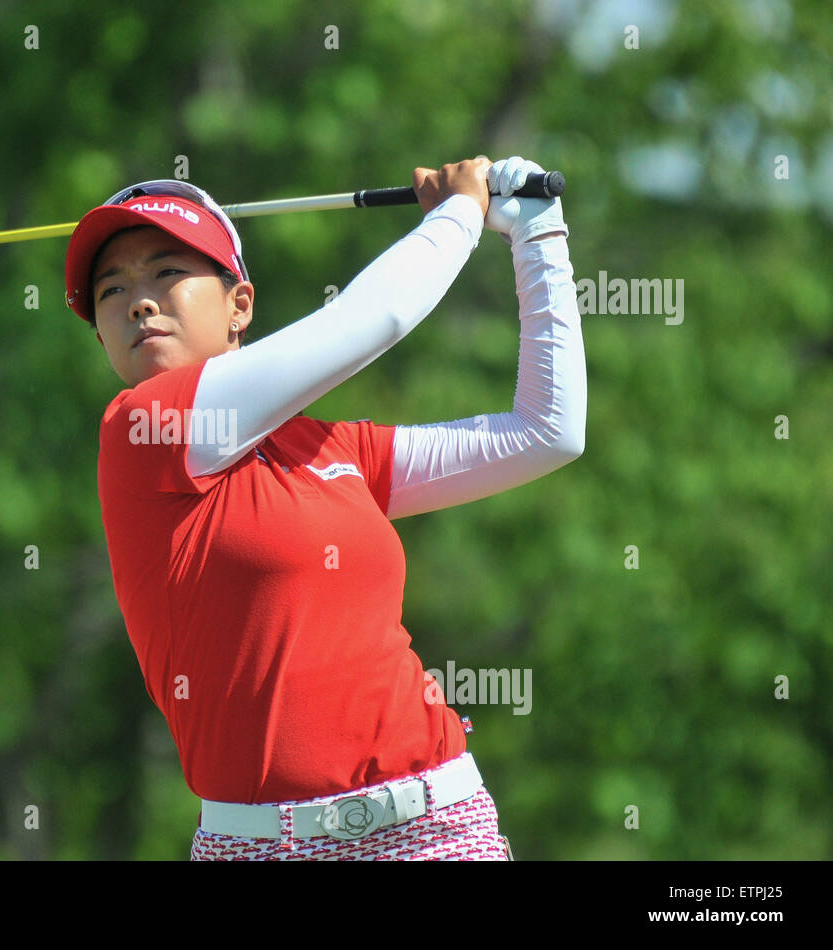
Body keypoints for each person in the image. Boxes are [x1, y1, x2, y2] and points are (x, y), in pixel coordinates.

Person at [63, 156, 585, 860]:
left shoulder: (329, 452)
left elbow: (546, 432)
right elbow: (375, 318)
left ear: (238, 305)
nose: (139, 301)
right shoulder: (140, 429)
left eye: (166, 273)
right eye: (112, 288)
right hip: (255, 845)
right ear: (100, 335)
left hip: (435, 821)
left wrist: (537, 234)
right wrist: (460, 214)